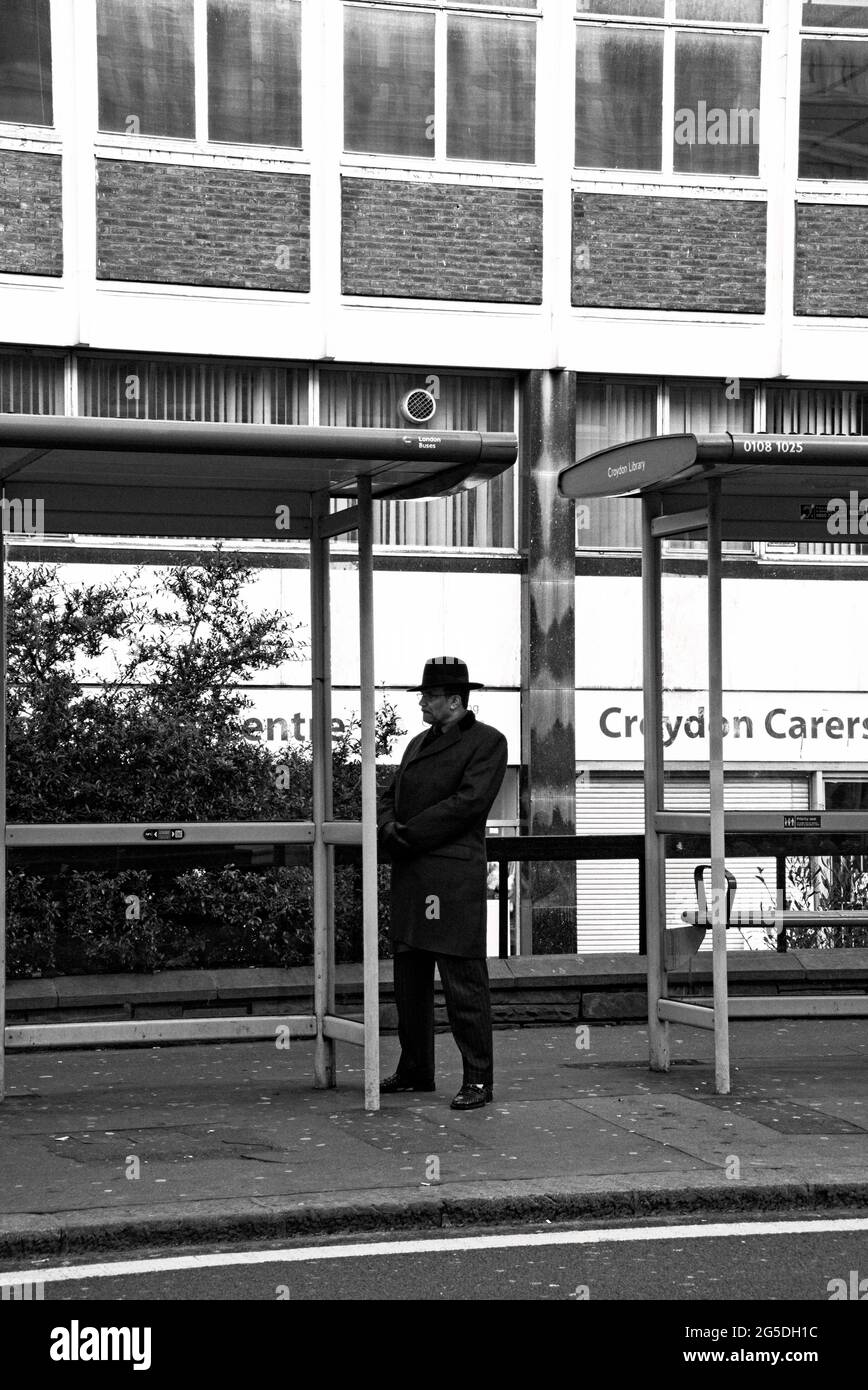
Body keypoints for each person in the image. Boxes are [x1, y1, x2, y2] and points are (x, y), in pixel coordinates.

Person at [378, 656, 508, 1110]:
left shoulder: (488, 743)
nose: (423, 703)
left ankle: (477, 1079)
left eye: (430, 697)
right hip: (414, 875)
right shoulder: (416, 744)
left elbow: (467, 805)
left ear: (455, 701)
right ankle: (415, 1068)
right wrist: (388, 828)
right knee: (409, 981)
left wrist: (405, 837)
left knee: (463, 982)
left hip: (451, 878)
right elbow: (387, 796)